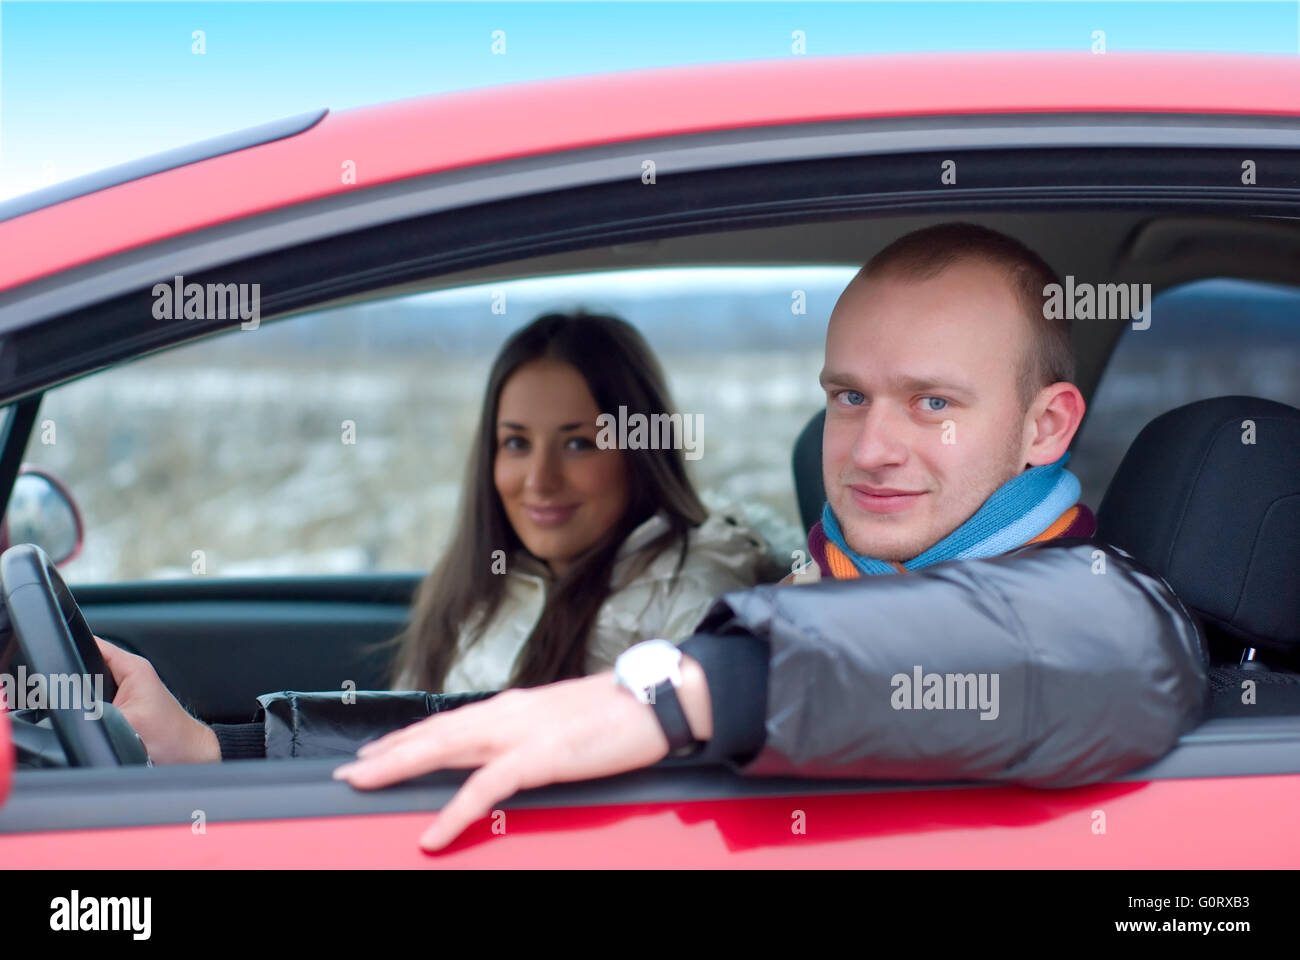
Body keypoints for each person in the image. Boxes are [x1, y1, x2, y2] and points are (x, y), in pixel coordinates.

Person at [326, 222, 1207, 852]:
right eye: (849, 396)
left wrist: (676, 690)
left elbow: (1114, 648)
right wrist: (229, 756)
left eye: (932, 403)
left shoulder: (1093, 597)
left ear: (1046, 428)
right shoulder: (811, 587)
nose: (869, 448)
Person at [96, 310, 772, 764]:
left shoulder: (691, 605)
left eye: (577, 443)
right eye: (515, 443)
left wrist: (215, 748)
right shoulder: (499, 582)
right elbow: (425, 740)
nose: (537, 479)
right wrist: (216, 747)